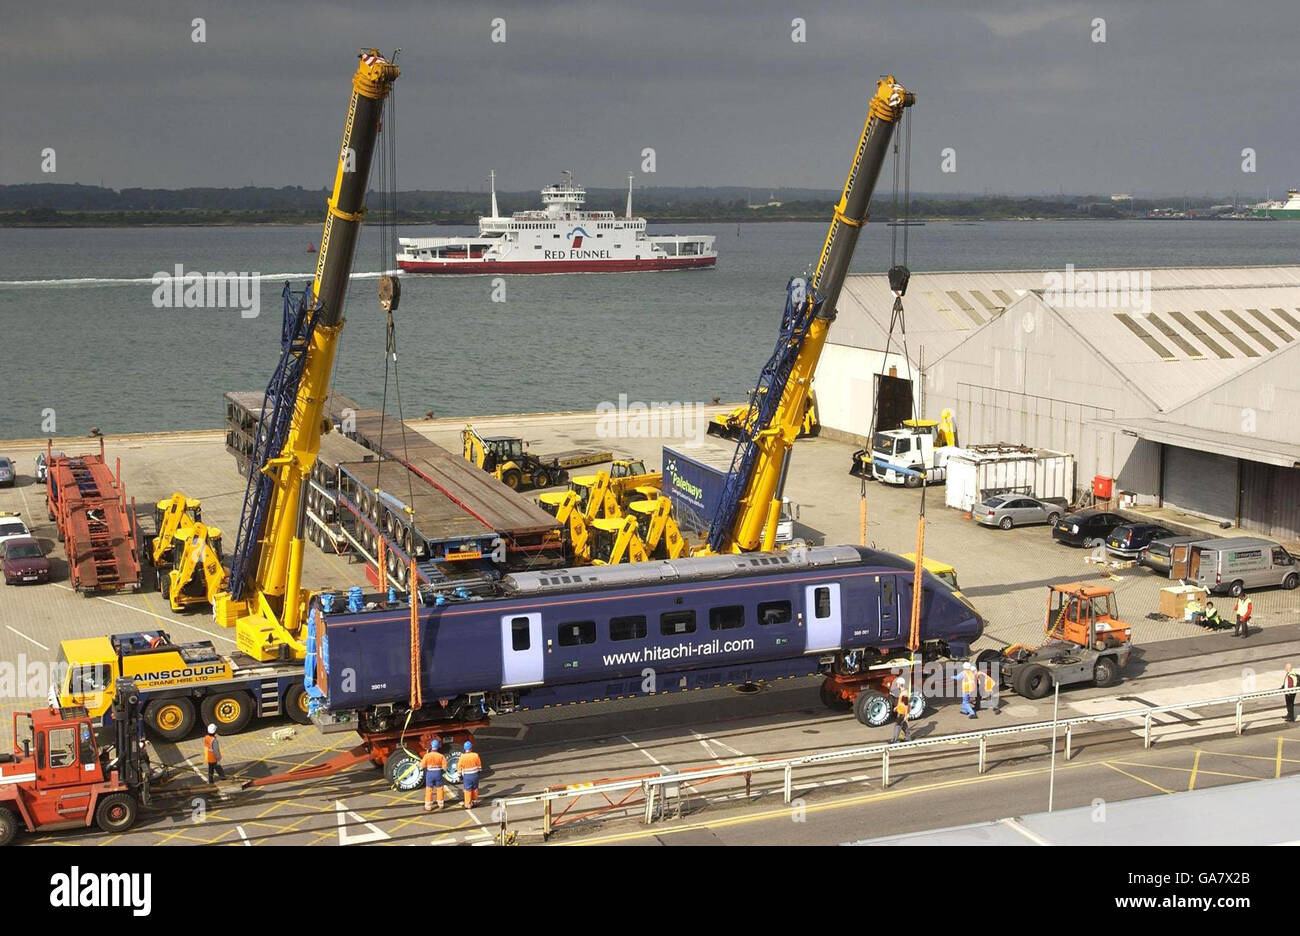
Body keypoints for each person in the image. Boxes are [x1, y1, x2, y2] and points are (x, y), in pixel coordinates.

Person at [421, 739, 448, 812]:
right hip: (438, 773)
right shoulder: (441, 756)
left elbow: (422, 766)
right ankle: (441, 804)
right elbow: (445, 768)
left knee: (429, 790)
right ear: (438, 747)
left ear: (431, 746)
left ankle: (428, 806)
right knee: (439, 789)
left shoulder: (427, 755)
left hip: (430, 773)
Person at [458, 740, 482, 809]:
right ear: (471, 748)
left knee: (467, 790)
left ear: (464, 749)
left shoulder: (462, 757)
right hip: (475, 775)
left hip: (467, 776)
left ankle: (468, 804)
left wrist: (460, 776)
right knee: (475, 788)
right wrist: (478, 771)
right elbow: (479, 765)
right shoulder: (475, 755)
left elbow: (459, 767)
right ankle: (474, 801)